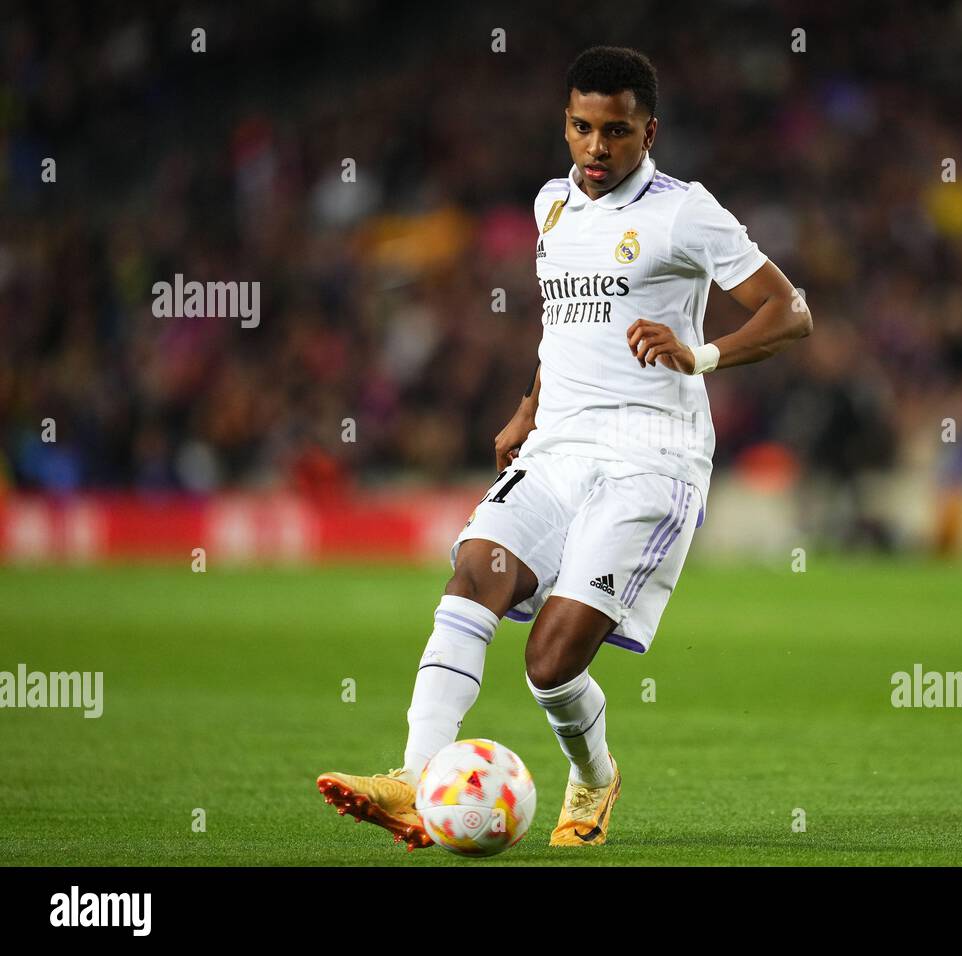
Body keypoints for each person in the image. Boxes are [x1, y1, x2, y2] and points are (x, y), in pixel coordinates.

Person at [317, 45, 811, 847]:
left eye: (615, 132)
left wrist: (702, 353)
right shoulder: (553, 205)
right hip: (559, 445)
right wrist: (528, 407)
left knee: (550, 663)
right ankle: (415, 778)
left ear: (648, 133)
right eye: (581, 127)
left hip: (652, 456)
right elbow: (565, 326)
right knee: (475, 571)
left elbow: (791, 312)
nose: (595, 148)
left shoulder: (686, 212)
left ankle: (594, 776)